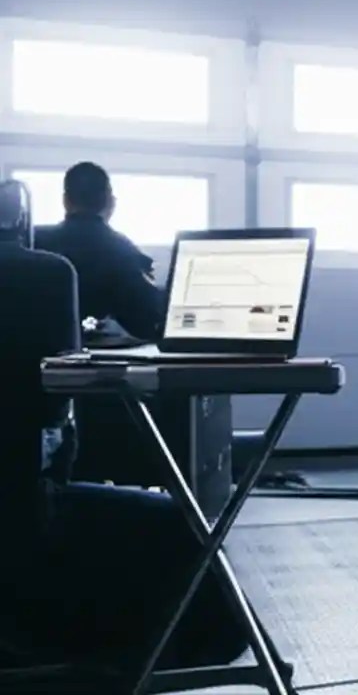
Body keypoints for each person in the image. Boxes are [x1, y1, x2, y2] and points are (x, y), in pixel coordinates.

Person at [0, 179, 247, 672]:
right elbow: (153, 320)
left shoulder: (46, 245)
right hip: (29, 501)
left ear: (67, 200)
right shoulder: (55, 270)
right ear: (108, 202)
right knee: (184, 533)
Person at [34, 162, 164, 340]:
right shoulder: (123, 250)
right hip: (103, 361)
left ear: (65, 201)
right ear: (110, 201)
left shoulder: (34, 243)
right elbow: (150, 318)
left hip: (33, 355)